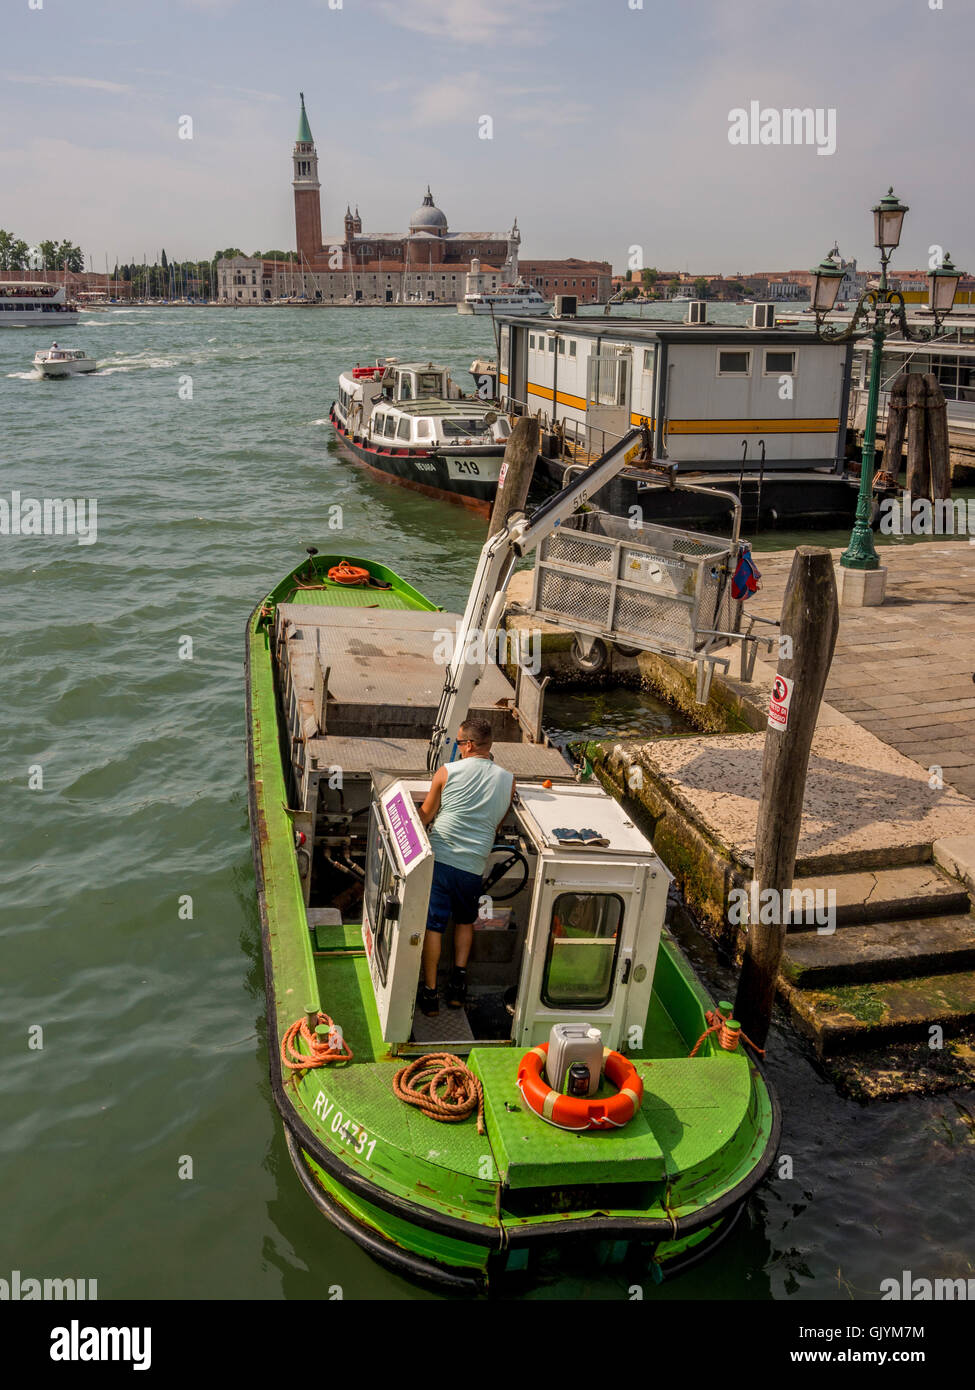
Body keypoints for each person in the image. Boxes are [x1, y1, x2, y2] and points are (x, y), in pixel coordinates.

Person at [416, 717, 515, 1016]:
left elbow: (426, 815)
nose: (458, 748)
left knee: (433, 926)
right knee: (465, 921)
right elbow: (495, 825)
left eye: (459, 743)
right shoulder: (508, 781)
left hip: (442, 860)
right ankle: (458, 990)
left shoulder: (447, 772)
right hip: (474, 866)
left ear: (469, 745)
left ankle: (431, 994)